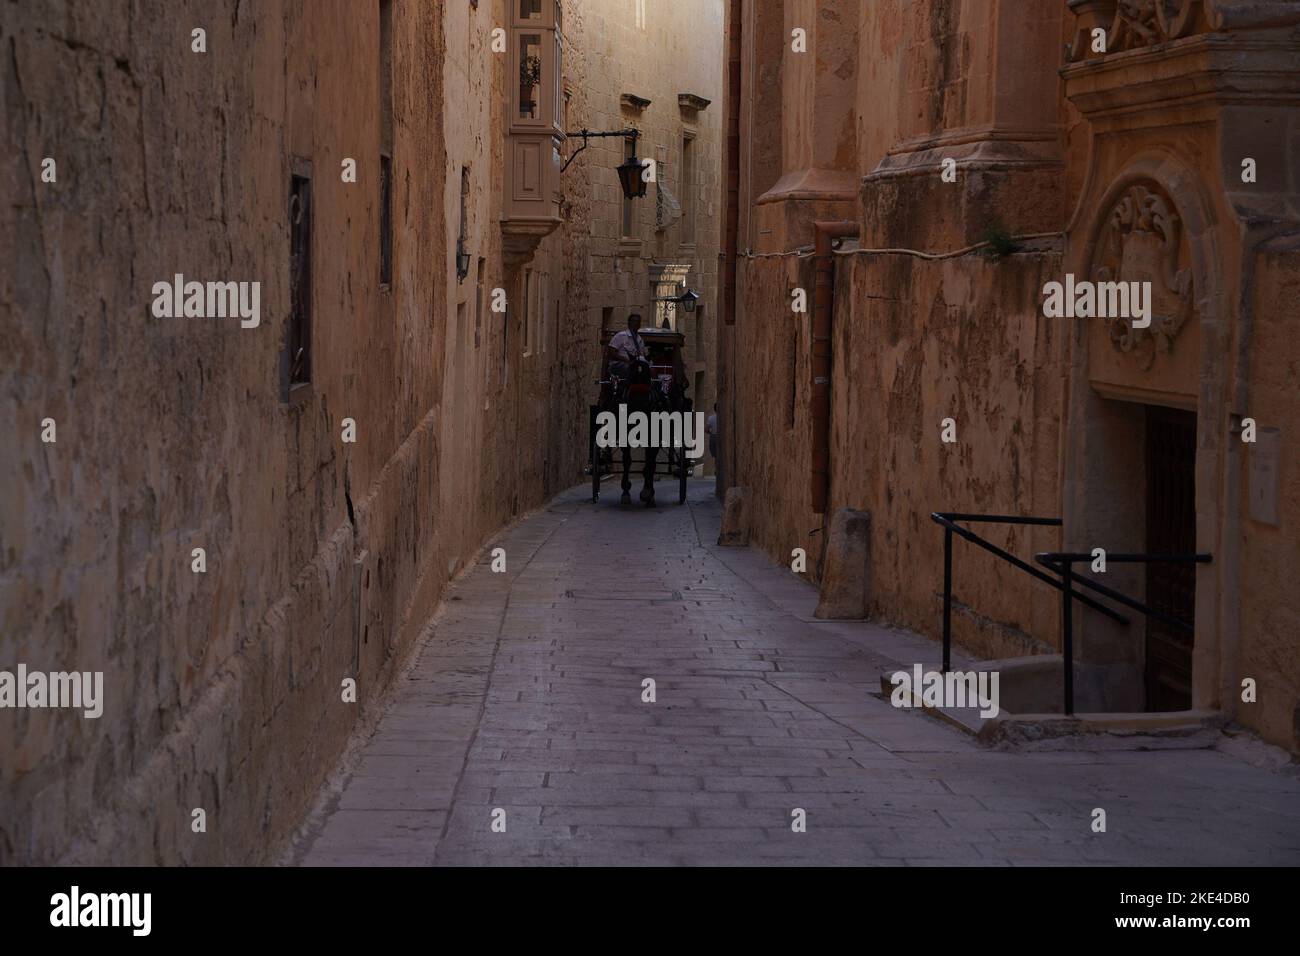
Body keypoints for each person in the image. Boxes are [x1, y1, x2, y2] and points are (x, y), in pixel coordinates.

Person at [607, 313, 647, 380]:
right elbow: (611, 351)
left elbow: (641, 354)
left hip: (635, 364)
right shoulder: (621, 336)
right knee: (629, 368)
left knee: (648, 369)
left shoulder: (640, 340)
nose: (635, 323)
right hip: (619, 364)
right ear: (629, 323)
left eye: (637, 321)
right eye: (633, 321)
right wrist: (625, 359)